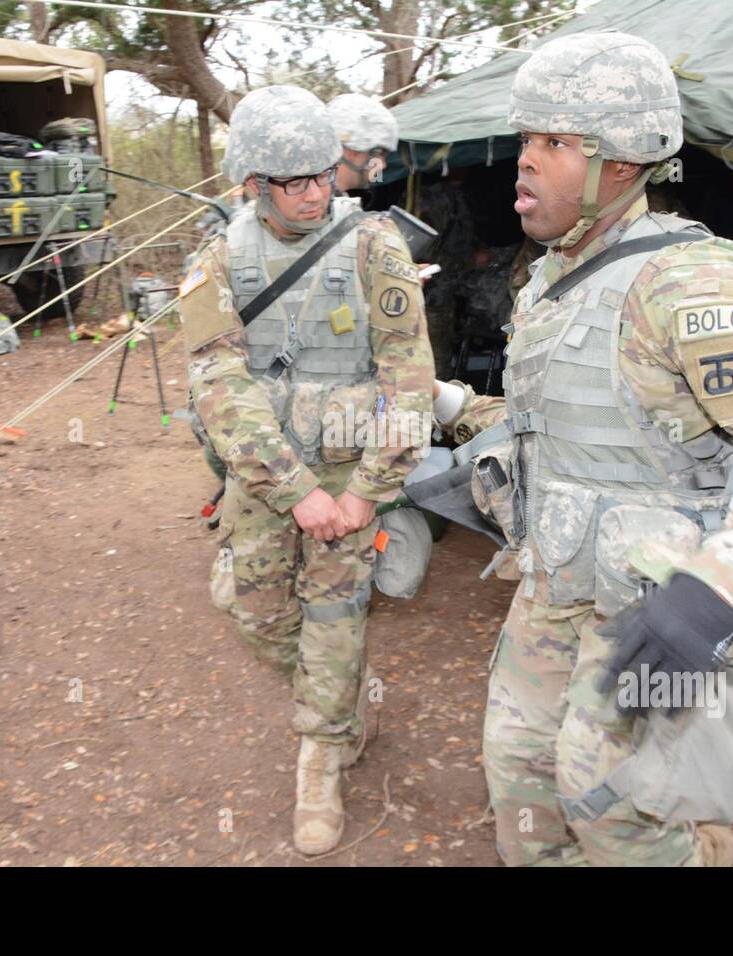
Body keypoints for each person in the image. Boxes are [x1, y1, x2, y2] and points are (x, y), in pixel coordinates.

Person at [431, 33, 733, 865]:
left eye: (554, 143)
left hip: (650, 609)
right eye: (525, 139)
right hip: (553, 588)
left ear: (622, 163)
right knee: (521, 781)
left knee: (615, 810)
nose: (524, 163)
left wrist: (721, 590)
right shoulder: (553, 278)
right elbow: (575, 430)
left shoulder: (687, 280)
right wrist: (459, 410)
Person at [178, 86, 434, 855]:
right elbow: (216, 384)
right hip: (267, 481)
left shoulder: (374, 246)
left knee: (334, 616)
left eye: (324, 173)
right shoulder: (215, 259)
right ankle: (343, 707)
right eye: (295, 182)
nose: (318, 192)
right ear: (253, 184)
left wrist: (365, 493)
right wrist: (296, 493)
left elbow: (409, 376)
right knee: (253, 610)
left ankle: (320, 757)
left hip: (352, 477)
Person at [325, 93, 399, 195]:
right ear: (354, 151)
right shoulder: (313, 205)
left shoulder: (325, 201)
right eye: (379, 153)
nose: (383, 165)